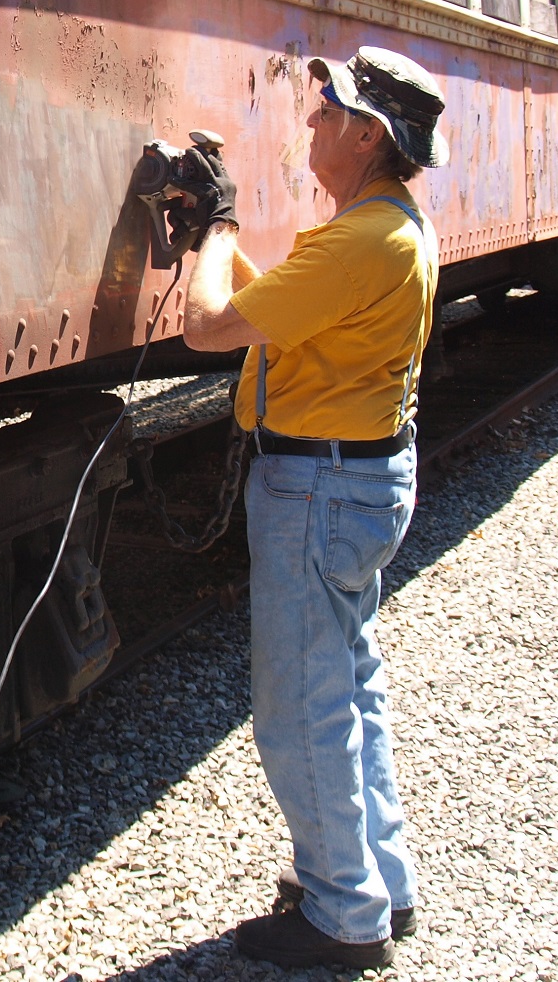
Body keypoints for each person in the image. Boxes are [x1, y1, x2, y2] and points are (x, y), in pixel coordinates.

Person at [177, 47, 448, 970]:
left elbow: (209, 327)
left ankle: (341, 912)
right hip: (358, 481)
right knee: (351, 684)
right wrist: (222, 242)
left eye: (327, 113)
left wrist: (215, 228)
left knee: (301, 703)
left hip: (319, 491)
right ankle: (378, 880)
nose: (311, 124)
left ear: (369, 134)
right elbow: (280, 312)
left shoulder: (364, 240)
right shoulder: (391, 227)